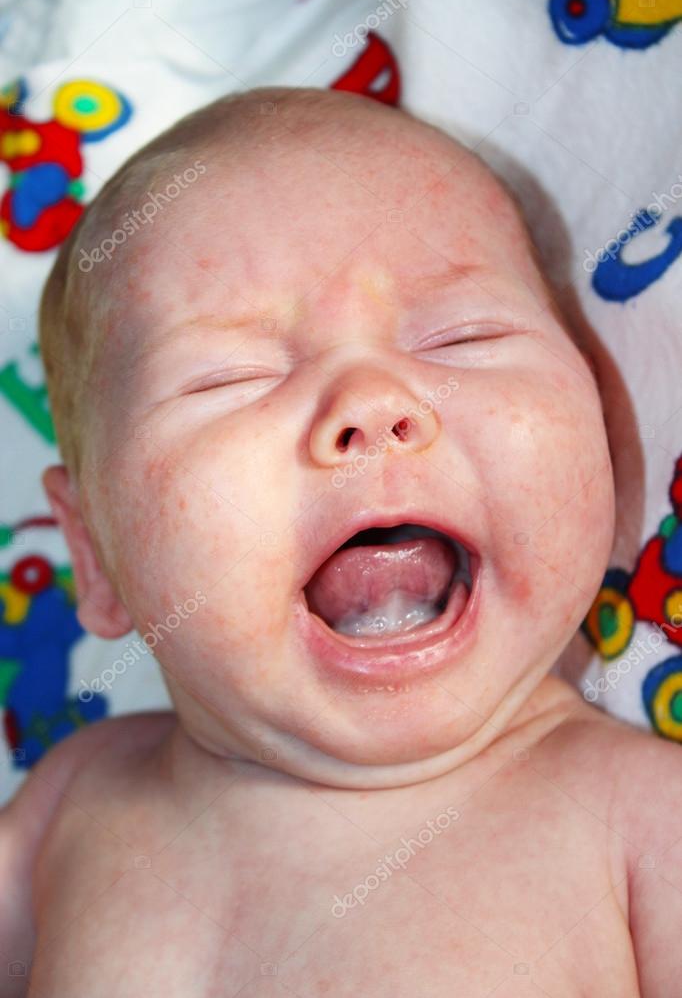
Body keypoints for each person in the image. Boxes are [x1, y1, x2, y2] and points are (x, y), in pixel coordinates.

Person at [2, 86, 677, 995]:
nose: (371, 403)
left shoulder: (640, 823)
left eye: (463, 337)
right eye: (230, 379)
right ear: (91, 549)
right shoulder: (68, 804)